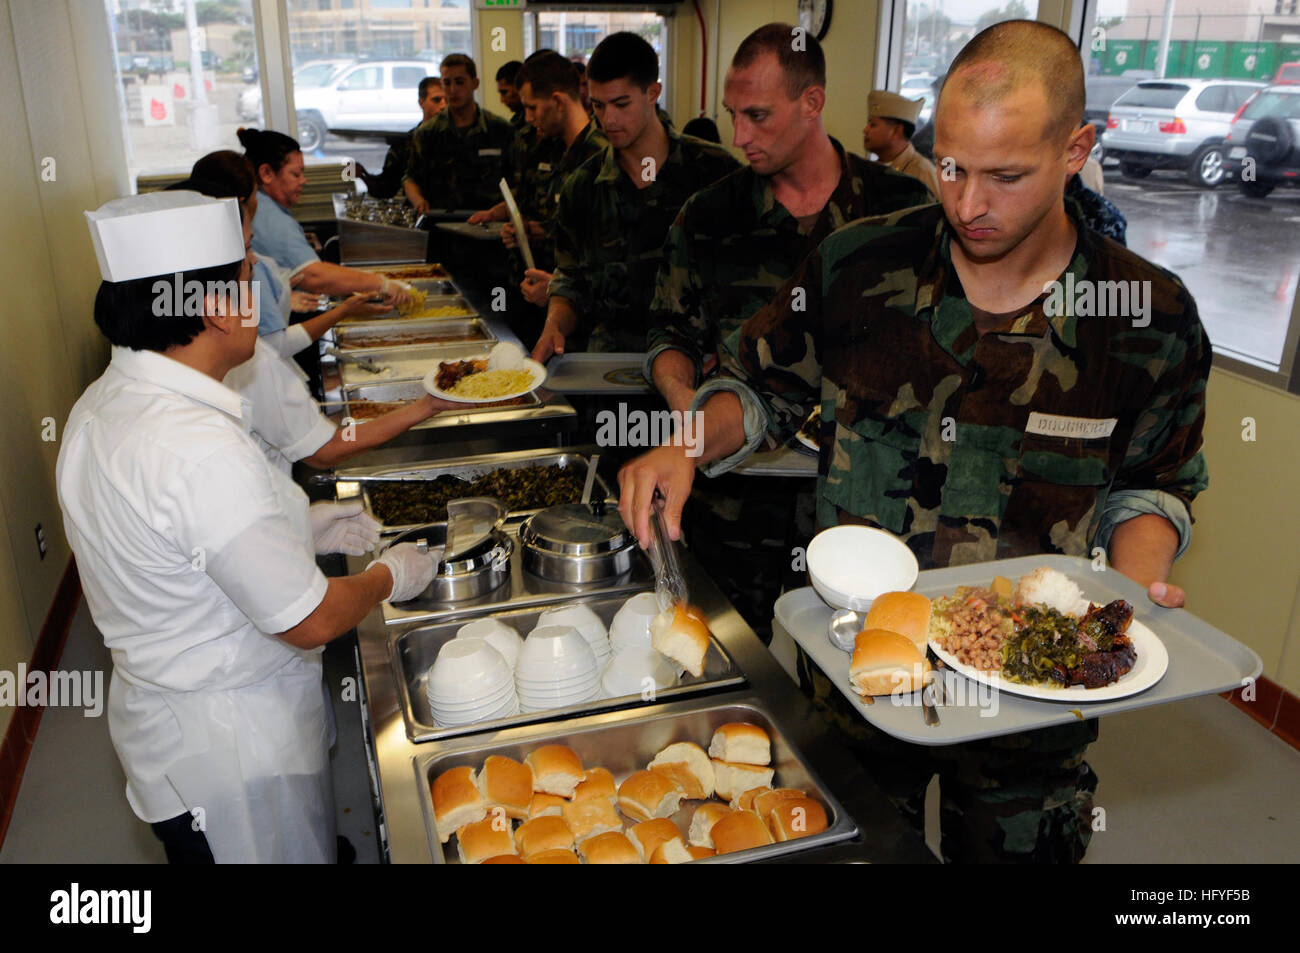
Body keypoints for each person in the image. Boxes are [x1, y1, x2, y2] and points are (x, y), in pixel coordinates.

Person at [618, 20, 1210, 863]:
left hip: (1029, 710)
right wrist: (685, 442)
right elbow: (761, 387)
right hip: (856, 672)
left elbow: (1155, 483)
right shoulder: (858, 264)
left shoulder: (1148, 319)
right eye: (953, 166)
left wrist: (1134, 584)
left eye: (1006, 176)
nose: (969, 204)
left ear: (1075, 149)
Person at [60, 191, 438, 863]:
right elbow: (311, 620)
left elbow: (173, 550)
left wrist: (302, 527)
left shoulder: (102, 405)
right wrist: (388, 576)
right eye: (242, 277)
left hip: (167, 733)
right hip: (234, 755)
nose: (256, 289)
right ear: (209, 307)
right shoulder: (195, 445)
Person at [642, 23, 932, 643]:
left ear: (813, 103)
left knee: (858, 676)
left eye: (758, 115)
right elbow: (670, 335)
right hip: (734, 495)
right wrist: (689, 416)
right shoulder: (710, 217)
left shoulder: (899, 213)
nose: (740, 136)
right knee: (726, 656)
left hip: (868, 509)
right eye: (732, 116)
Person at [176, 169, 460, 472]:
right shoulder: (242, 355)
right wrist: (427, 406)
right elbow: (328, 448)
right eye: (247, 248)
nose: (254, 260)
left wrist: (342, 310)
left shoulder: (183, 346)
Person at [531, 32, 739, 359]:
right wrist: (554, 323)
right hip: (609, 371)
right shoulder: (583, 186)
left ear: (652, 92)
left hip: (700, 367)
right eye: (598, 106)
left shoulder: (714, 172)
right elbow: (570, 280)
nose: (608, 119)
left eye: (621, 104)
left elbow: (747, 278)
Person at [190, 150, 390, 358]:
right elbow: (275, 345)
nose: (253, 259)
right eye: (296, 174)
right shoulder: (249, 265)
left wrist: (282, 291)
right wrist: (344, 310)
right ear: (242, 202)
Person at [239, 128, 410, 306]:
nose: (303, 181)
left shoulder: (265, 207)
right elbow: (313, 276)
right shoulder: (270, 216)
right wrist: (380, 283)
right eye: (296, 174)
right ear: (266, 173)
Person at [403, 53, 515, 214]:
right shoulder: (428, 133)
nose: (453, 90)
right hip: (441, 223)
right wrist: (418, 200)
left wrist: (505, 210)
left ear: (474, 83)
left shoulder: (500, 129)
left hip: (487, 225)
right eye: (447, 83)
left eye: (460, 82)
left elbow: (516, 182)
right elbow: (410, 178)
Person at [356, 76, 446, 200]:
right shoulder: (406, 143)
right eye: (436, 100)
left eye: (447, 100)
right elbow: (386, 189)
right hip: (419, 212)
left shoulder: (458, 138)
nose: (443, 106)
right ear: (421, 102)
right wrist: (363, 175)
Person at [863, 89, 941, 197]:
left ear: (896, 131)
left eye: (873, 125)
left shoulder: (922, 173)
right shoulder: (869, 169)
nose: (865, 130)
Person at [496, 60, 525, 128]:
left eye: (504, 92)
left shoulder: (538, 122)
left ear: (519, 86)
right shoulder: (516, 121)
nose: (502, 100)